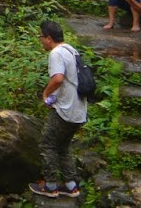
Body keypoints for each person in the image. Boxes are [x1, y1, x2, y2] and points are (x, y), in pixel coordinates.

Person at [30, 20, 87, 199]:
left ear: (48, 38)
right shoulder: (71, 49)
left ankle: (50, 186)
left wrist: (46, 93)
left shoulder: (56, 53)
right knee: (63, 145)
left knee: (46, 143)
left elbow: (58, 79)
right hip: (79, 110)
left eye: (41, 37)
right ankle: (70, 186)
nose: (40, 40)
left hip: (65, 110)